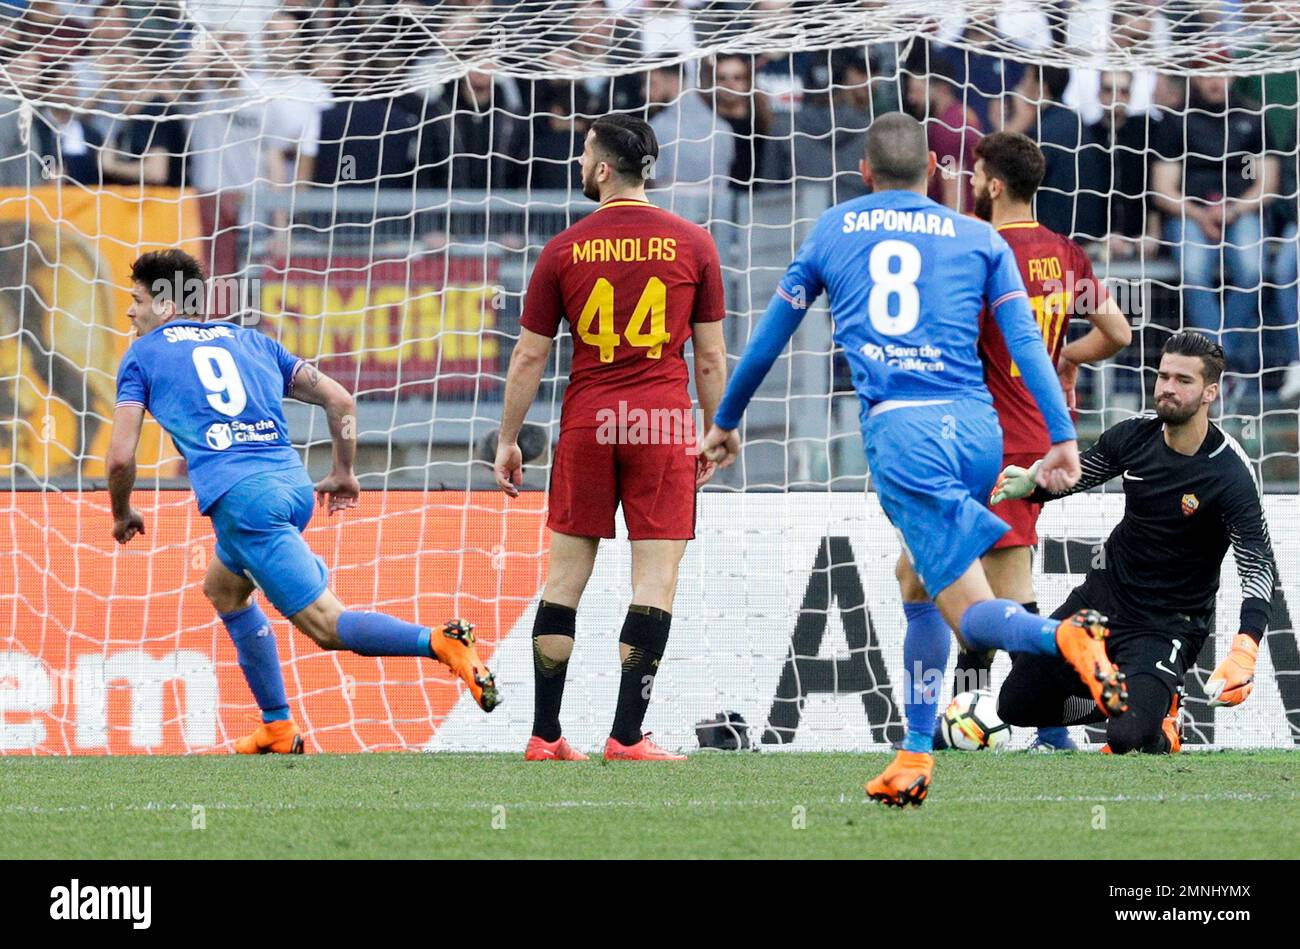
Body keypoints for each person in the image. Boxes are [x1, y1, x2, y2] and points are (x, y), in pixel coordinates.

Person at [699, 112, 1127, 807]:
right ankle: (914, 753)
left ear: (865, 173)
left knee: (967, 604)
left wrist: (724, 421)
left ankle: (1065, 638)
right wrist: (1062, 435)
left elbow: (769, 339)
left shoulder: (835, 228)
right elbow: (1024, 343)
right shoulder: (979, 236)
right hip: (980, 430)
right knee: (915, 579)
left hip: (906, 434)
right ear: (934, 171)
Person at [107, 250, 498, 754]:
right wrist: (343, 471)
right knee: (224, 588)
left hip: (244, 503)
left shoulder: (142, 357)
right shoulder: (252, 340)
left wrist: (122, 512)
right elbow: (341, 400)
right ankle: (277, 726)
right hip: (291, 488)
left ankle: (441, 642)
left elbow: (120, 460)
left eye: (135, 300)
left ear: (162, 304)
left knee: (328, 626)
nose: (129, 313)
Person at [493, 114, 728, 762]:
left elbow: (528, 358)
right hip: (662, 423)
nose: (576, 162)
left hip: (589, 421)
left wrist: (508, 438)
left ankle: (544, 734)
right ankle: (627, 734)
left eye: (583, 152)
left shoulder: (564, 247)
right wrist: (715, 431)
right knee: (653, 582)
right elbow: (709, 359)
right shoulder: (694, 243)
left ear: (602, 169)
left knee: (564, 578)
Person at [907, 131, 1132, 753]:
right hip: (1042, 431)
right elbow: (1117, 330)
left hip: (990, 437)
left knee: (980, 582)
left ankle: (1040, 726)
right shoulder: (1064, 253)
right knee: (990, 577)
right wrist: (1061, 358)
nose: (973, 184)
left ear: (995, 184)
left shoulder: (980, 252)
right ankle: (1006, 718)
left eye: (977, 175)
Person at [992, 332, 1275, 753]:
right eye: (1163, 376)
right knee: (1015, 704)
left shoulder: (1230, 473)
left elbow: (1258, 565)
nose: (1167, 388)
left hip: (1166, 624)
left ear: (1209, 393)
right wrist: (1033, 482)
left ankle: (1159, 711)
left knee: (1128, 739)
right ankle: (1128, 701)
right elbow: (1076, 475)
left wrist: (1245, 649)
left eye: (1183, 380)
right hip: (1101, 602)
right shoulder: (1135, 436)